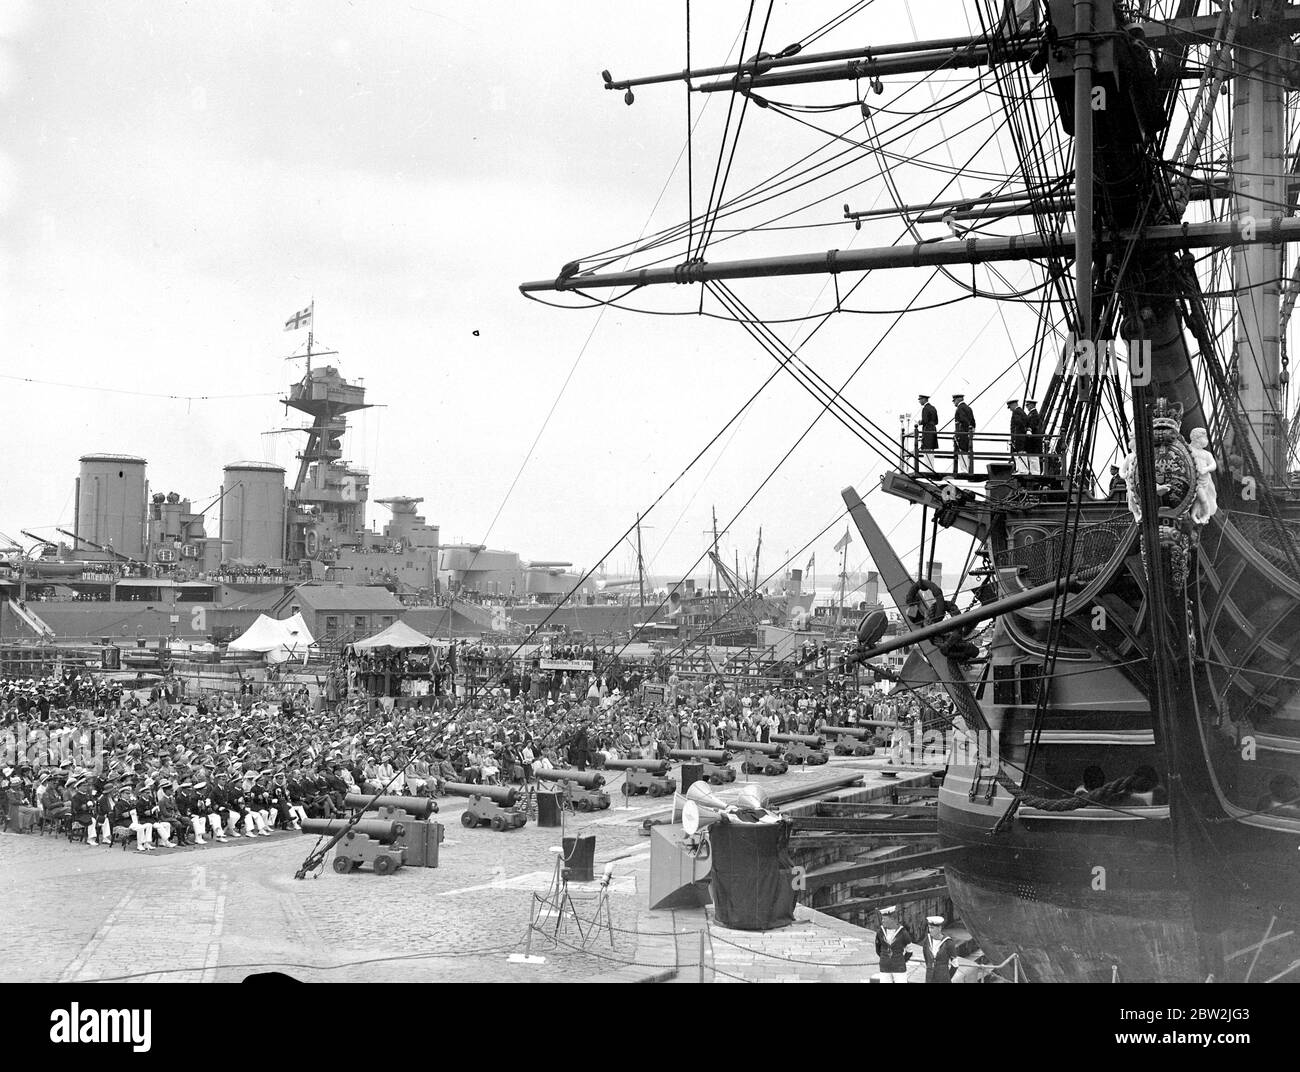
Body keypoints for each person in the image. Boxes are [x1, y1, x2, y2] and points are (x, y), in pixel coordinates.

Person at [874, 905, 914, 982]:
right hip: (884, 968)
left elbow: (910, 951)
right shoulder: (880, 932)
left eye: (884, 919)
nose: (882, 921)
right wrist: (885, 958)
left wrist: (901, 960)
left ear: (892, 919)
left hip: (899, 969)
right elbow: (878, 949)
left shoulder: (903, 933)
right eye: (882, 918)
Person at [922, 915, 956, 983]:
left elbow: (955, 964)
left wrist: (947, 977)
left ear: (939, 928)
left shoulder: (948, 942)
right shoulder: (927, 940)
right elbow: (926, 958)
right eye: (929, 928)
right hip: (930, 979)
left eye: (932, 928)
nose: (930, 930)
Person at [952, 393, 975, 474]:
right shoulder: (969, 408)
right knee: (967, 451)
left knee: (962, 451)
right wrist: (971, 431)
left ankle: (964, 470)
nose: (954, 402)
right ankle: (967, 468)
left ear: (958, 400)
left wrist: (958, 432)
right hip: (968, 433)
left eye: (954, 401)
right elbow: (973, 421)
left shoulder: (959, 408)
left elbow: (963, 420)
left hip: (962, 433)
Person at [917, 393, 939, 469]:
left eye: (920, 400)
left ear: (924, 399)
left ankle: (928, 468)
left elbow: (925, 420)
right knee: (931, 450)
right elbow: (936, 421)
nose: (919, 401)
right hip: (933, 430)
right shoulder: (933, 408)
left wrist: (920, 422)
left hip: (927, 430)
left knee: (926, 449)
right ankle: (931, 467)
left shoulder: (925, 408)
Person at [1007, 399, 1028, 473]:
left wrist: (1015, 437)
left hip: (1018, 437)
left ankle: (1022, 470)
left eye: (1010, 407)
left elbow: (1018, 425)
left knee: (1020, 453)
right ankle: (1021, 469)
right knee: (1019, 453)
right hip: (1021, 436)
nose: (1010, 409)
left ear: (1013, 405)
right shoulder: (1021, 411)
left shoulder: (1016, 412)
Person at [1024, 398, 1043, 473]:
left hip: (1033, 440)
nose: (1027, 407)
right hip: (1032, 440)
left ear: (1032, 405)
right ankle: (1034, 471)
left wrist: (1029, 430)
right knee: (1032, 457)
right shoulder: (1032, 414)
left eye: (1028, 405)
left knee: (1033, 457)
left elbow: (1032, 424)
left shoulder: (1034, 414)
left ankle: (1035, 472)